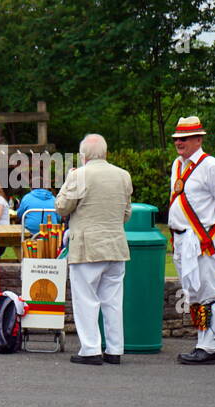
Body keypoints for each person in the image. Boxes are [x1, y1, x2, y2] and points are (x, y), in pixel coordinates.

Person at [55, 134, 133, 365]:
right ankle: (115, 349)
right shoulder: (123, 176)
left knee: (86, 300)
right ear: (106, 153)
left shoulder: (78, 175)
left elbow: (62, 207)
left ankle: (90, 349)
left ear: (83, 156)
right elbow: (126, 214)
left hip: (87, 247)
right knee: (113, 301)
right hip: (116, 246)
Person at [168, 116, 215, 365]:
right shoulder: (177, 164)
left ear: (198, 139)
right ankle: (202, 341)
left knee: (207, 290)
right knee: (193, 292)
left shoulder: (210, 166)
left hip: (201, 238)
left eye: (184, 139)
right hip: (182, 239)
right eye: (177, 139)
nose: (179, 143)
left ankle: (210, 345)